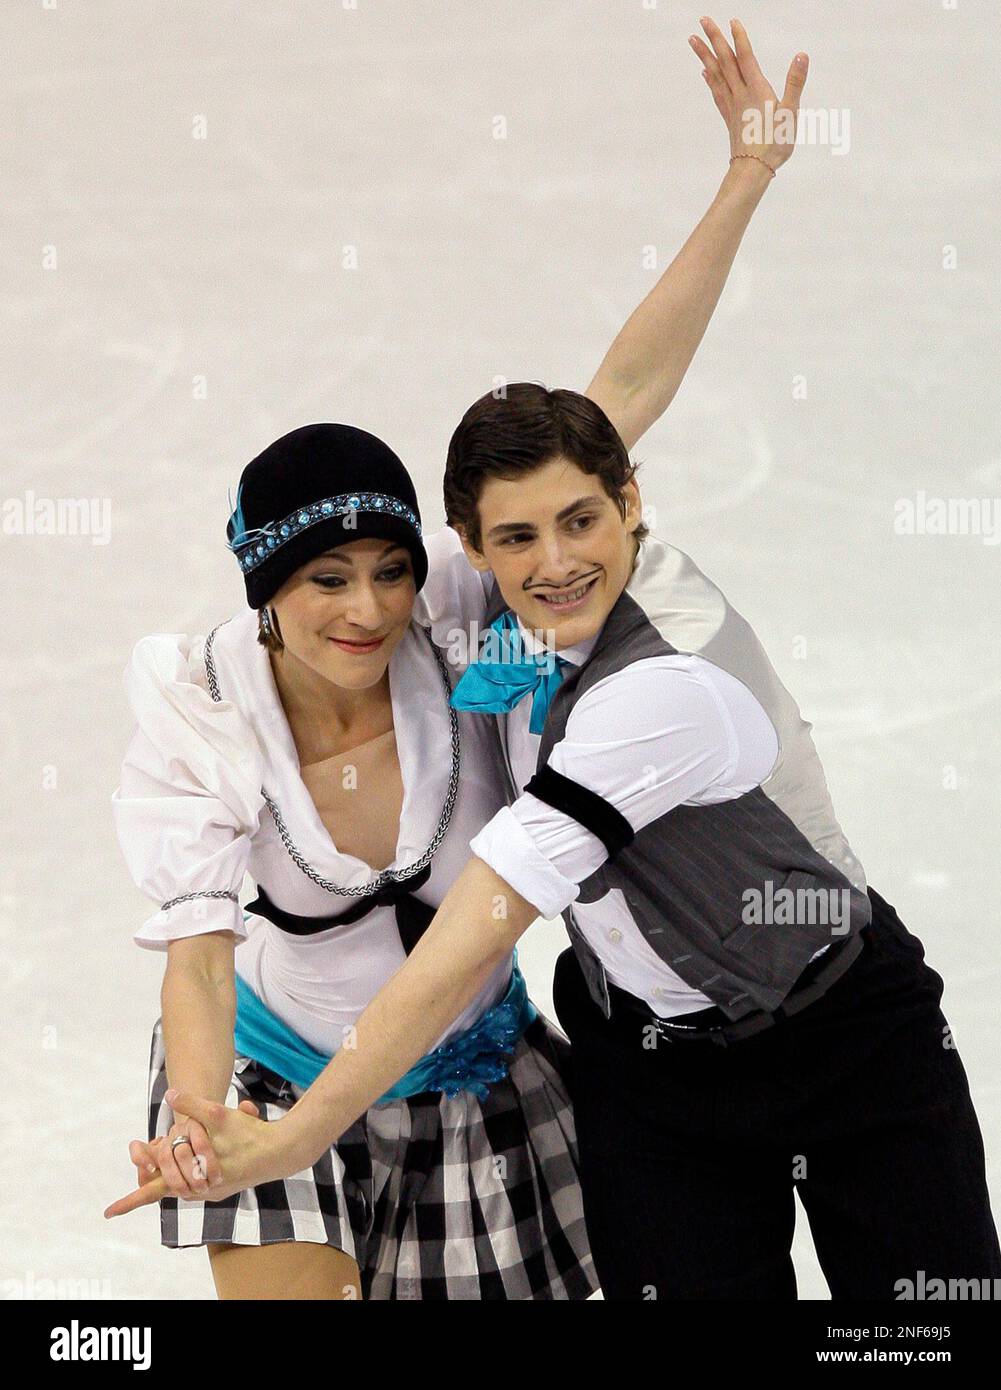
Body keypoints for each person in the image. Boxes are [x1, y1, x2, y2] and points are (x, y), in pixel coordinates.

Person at [112, 424, 599, 1300]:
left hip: (470, 1076)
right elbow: (201, 962)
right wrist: (199, 1116)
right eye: (328, 580)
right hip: (276, 1082)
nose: (369, 612)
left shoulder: (457, 629)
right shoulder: (207, 709)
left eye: (390, 572)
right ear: (266, 586)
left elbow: (583, 446)